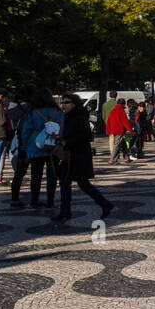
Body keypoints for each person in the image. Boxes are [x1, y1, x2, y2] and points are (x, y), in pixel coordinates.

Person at [53, 93, 114, 223]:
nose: (64, 105)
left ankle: (105, 204)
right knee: (64, 183)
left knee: (83, 184)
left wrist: (67, 142)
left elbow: (85, 136)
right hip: (68, 156)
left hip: (78, 155)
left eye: (67, 102)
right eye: (62, 103)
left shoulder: (80, 117)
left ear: (74, 104)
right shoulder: (67, 116)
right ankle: (65, 211)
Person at [16, 88, 63, 210]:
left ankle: (34, 202)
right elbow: (63, 129)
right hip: (54, 146)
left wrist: (25, 147)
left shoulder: (33, 113)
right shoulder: (58, 112)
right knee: (52, 176)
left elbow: (25, 132)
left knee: (36, 176)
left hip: (36, 146)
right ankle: (50, 202)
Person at [6, 84, 36, 204]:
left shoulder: (15, 108)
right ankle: (35, 200)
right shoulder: (35, 107)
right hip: (33, 141)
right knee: (35, 172)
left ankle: (15, 198)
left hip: (20, 140)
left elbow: (9, 117)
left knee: (19, 172)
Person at [106, 98, 134, 164]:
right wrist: (130, 130)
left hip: (113, 130)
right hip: (119, 130)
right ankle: (112, 160)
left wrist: (108, 130)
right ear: (123, 104)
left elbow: (108, 121)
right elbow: (125, 122)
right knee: (117, 144)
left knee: (123, 143)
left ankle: (126, 158)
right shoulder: (121, 111)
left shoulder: (113, 110)